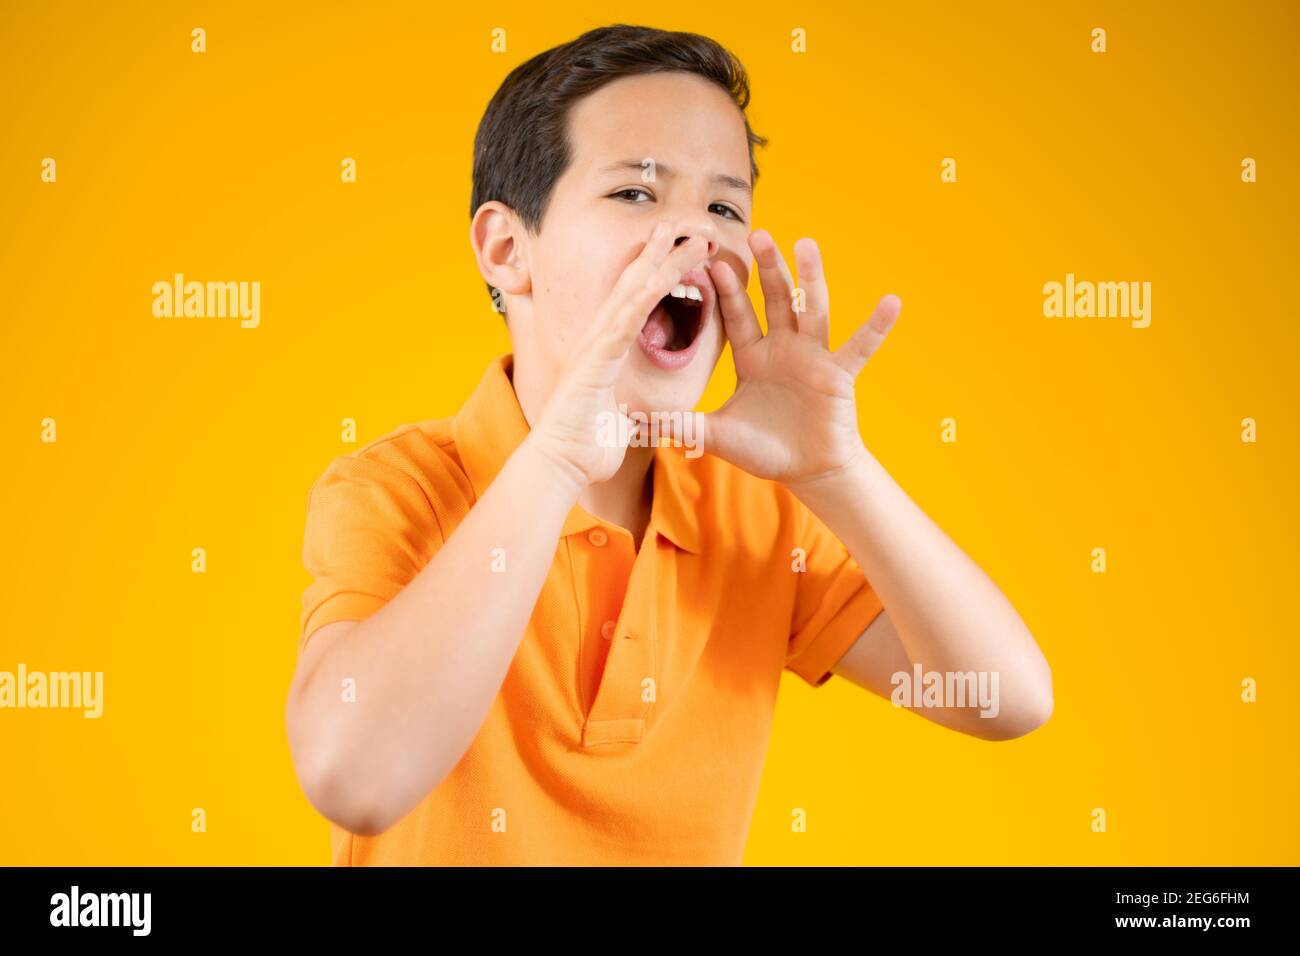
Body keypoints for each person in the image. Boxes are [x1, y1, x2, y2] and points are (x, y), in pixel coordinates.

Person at [285, 23, 1053, 866]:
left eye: (724, 207)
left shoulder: (758, 515)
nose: (696, 235)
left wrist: (839, 473)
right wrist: (554, 463)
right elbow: (354, 778)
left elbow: (1006, 699)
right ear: (507, 249)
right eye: (638, 195)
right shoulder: (396, 491)